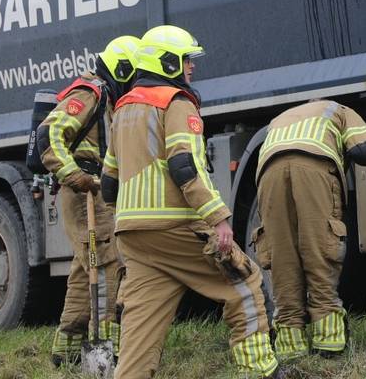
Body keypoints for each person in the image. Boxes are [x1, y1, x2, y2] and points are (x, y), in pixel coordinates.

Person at [102, 25, 280, 378]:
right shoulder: (176, 103)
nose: (191, 67)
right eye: (186, 59)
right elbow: (186, 166)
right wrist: (218, 219)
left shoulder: (123, 109)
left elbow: (109, 184)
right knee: (243, 283)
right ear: (167, 63)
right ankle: (261, 371)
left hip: (133, 236)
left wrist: (131, 218)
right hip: (177, 227)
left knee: (140, 329)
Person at [41, 35, 140, 367]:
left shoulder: (108, 97)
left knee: (86, 270)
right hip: (84, 192)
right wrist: (74, 176)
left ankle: (65, 354)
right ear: (122, 70)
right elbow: (50, 133)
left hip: (94, 192)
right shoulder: (90, 93)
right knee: (111, 263)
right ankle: (109, 353)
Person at [253, 100, 366, 360]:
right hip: (314, 170)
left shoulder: (281, 117)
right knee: (320, 251)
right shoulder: (340, 110)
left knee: (282, 258)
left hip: (268, 175)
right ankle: (329, 344)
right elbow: (365, 150)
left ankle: (290, 348)